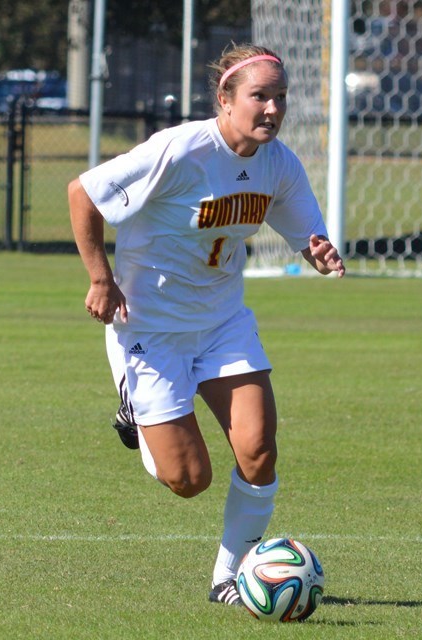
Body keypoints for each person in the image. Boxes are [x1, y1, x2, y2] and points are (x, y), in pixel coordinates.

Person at [67, 43, 345, 606]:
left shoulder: (278, 164)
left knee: (259, 450)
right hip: (151, 329)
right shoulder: (181, 149)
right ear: (225, 98)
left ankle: (229, 579)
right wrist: (100, 278)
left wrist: (318, 252)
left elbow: (306, 234)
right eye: (259, 96)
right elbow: (84, 193)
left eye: (280, 97)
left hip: (222, 323)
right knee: (190, 480)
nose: (272, 109)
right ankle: (134, 408)